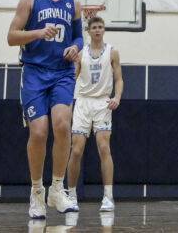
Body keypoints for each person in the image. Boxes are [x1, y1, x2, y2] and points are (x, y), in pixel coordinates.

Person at [8, 0, 84, 219]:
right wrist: (38, 32)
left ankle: (57, 188)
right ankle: (36, 191)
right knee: (39, 133)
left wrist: (76, 49)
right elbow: (12, 36)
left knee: (63, 125)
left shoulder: (72, 3)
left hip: (62, 72)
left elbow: (79, 38)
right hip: (35, 73)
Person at [66, 13, 122, 211]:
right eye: (94, 27)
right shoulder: (81, 54)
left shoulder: (112, 52)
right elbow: (72, 77)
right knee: (77, 150)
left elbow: (119, 80)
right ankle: (71, 196)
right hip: (83, 102)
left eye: (100, 27)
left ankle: (108, 196)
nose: (97, 30)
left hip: (102, 103)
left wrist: (117, 97)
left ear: (103, 30)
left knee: (104, 148)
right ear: (88, 31)